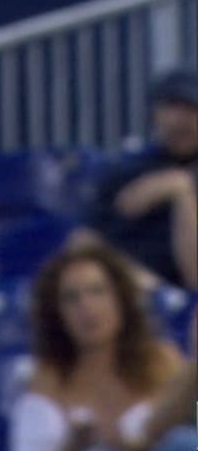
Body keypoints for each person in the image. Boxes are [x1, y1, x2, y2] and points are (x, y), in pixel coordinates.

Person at [10, 243, 197, 451]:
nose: (87, 307)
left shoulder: (159, 359)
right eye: (72, 298)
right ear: (57, 314)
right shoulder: (47, 379)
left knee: (184, 447)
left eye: (98, 291)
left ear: (120, 299)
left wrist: (131, 446)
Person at [74, 69, 198, 289]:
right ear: (155, 113)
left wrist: (182, 190)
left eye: (191, 109)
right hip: (119, 292)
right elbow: (82, 244)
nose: (180, 119)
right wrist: (132, 277)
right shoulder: (126, 169)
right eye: (172, 107)